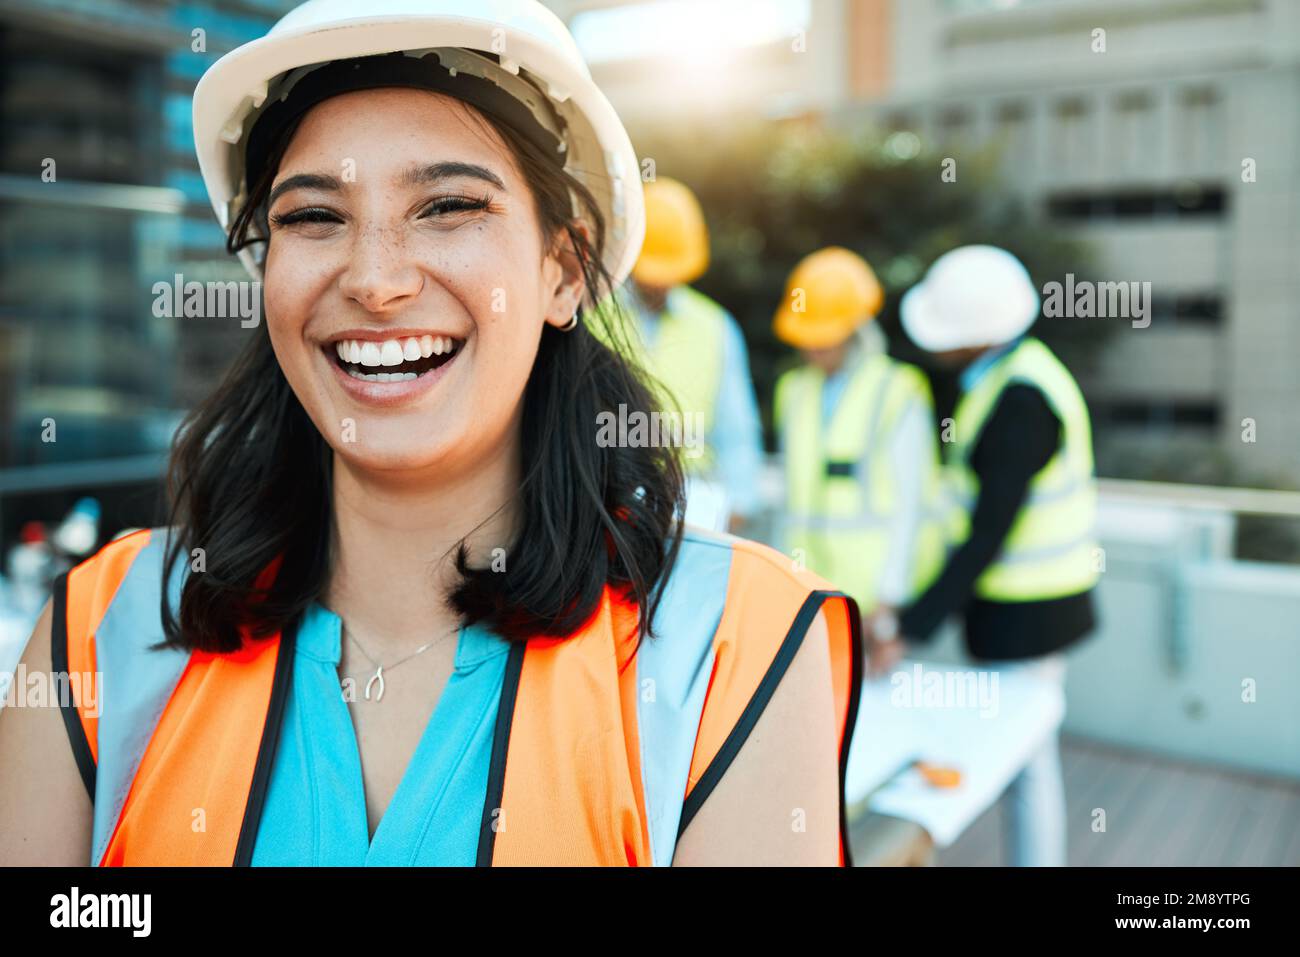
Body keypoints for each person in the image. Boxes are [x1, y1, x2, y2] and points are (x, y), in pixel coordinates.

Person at [0, 0, 861, 867]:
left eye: (447, 205)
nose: (375, 280)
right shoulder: (100, 630)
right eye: (313, 217)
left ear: (563, 271)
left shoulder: (730, 649)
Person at [868, 244, 1100, 867]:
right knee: (1023, 756)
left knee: (1019, 758)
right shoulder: (1013, 376)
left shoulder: (1018, 402)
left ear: (970, 337)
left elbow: (984, 536)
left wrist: (907, 629)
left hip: (1030, 616)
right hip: (1027, 612)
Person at [772, 247, 945, 640]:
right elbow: (791, 502)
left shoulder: (898, 390)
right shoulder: (794, 391)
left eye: (824, 338)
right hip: (808, 596)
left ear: (854, 328)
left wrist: (888, 605)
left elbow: (911, 504)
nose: (813, 347)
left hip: (873, 604)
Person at [617, 177, 764, 533]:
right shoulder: (592, 315)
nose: (659, 283)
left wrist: (740, 502)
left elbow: (736, 426)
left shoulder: (714, 326)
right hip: (608, 492)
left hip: (694, 499)